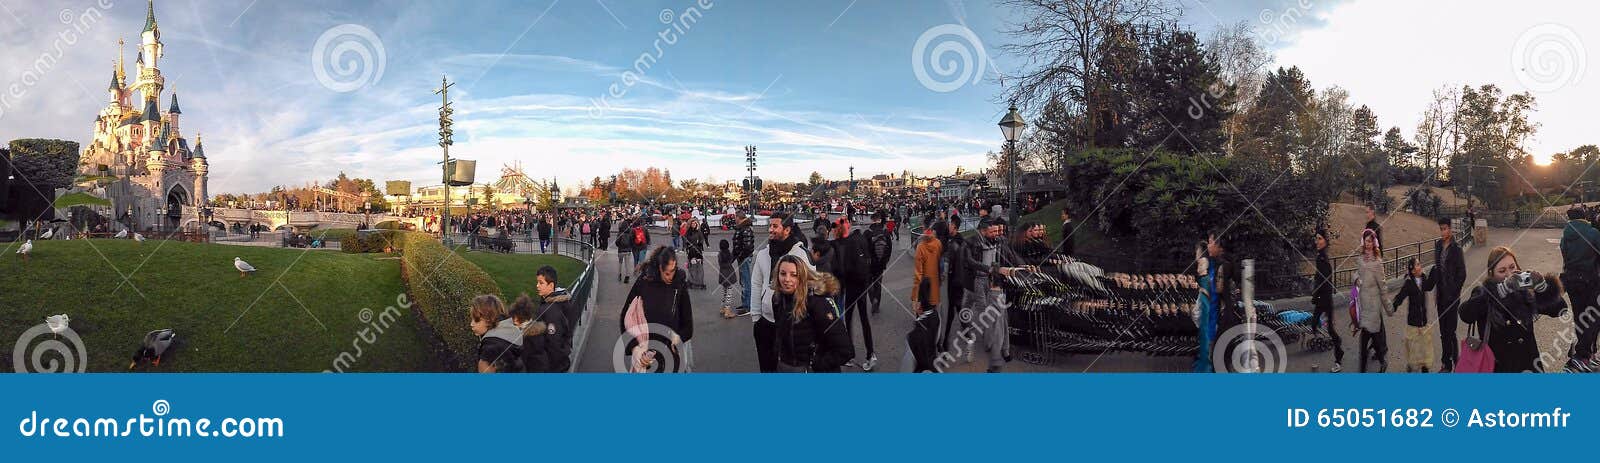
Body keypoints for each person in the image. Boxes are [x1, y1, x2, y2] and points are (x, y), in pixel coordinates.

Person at [1459, 246, 1568, 372]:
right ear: (1491, 273)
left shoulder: (1525, 293)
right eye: (1502, 271)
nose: (1509, 274)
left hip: (1528, 364)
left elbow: (1561, 309)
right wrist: (1499, 291)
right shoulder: (1483, 293)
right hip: (1497, 366)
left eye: (1512, 267)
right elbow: (1465, 314)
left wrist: (1543, 288)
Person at [748, 213, 811, 372]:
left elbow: (810, 286)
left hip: (791, 323)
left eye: (775, 226)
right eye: (770, 225)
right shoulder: (763, 254)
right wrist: (756, 317)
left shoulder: (800, 254)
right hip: (766, 322)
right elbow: (756, 284)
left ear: (787, 230)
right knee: (766, 368)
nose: (770, 229)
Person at [959, 218, 1023, 372]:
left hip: (989, 280)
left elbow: (1001, 258)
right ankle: (977, 339)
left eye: (997, 231)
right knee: (975, 310)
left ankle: (987, 342)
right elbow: (970, 262)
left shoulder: (994, 241)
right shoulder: (971, 242)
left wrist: (1013, 268)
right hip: (976, 281)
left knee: (985, 312)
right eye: (993, 231)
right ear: (983, 230)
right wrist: (991, 270)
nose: (997, 233)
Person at [772, 254, 854, 372]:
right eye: (783, 274)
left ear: (802, 276)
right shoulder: (777, 299)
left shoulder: (818, 302)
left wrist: (816, 366)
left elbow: (845, 350)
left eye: (794, 275)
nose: (787, 279)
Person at [620, 247, 696, 372]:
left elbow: (688, 324)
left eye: (673, 271)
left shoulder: (679, 283)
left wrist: (679, 338)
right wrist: (635, 348)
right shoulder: (644, 282)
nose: (670, 277)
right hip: (647, 356)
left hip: (672, 357)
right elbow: (626, 316)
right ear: (660, 268)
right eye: (667, 273)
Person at [832, 215, 878, 371]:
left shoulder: (844, 243)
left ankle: (849, 354)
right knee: (864, 320)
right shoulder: (861, 238)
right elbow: (868, 258)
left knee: (848, 318)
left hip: (851, 286)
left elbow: (842, 268)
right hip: (863, 284)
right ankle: (870, 353)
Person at [1559, 206, 1600, 372]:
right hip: (1591, 280)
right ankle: (1583, 353)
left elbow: (1564, 256)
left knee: (1579, 315)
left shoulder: (1565, 235)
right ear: (1584, 216)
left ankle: (1585, 353)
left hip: (1572, 280)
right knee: (1593, 316)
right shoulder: (1593, 233)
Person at [1352, 229, 1393, 373]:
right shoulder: (1360, 259)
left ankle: (1363, 371)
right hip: (1364, 305)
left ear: (1374, 242)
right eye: (1366, 241)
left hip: (1374, 306)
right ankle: (1382, 361)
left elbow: (1383, 286)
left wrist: (1388, 306)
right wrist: (1356, 279)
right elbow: (1356, 273)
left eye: (1370, 241)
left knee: (1364, 341)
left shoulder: (1377, 263)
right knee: (1374, 337)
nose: (1368, 244)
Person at [1429, 216, 1466, 372]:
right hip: (1441, 296)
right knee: (1443, 332)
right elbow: (1437, 268)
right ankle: (1446, 364)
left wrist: (1454, 292)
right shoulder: (1438, 245)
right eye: (1441, 229)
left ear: (1450, 229)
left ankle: (1456, 362)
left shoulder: (1456, 249)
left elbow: (1462, 274)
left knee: (1450, 332)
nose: (1443, 232)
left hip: (1452, 297)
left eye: (1445, 229)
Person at [910, 222, 944, 372]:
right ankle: (937, 349)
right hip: (935, 289)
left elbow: (918, 275)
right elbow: (940, 265)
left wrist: (916, 297)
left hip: (923, 292)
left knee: (923, 325)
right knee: (935, 322)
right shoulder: (938, 244)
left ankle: (924, 358)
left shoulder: (920, 247)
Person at [1311, 230, 1345, 373]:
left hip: (1324, 299)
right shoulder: (1320, 256)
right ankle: (1326, 341)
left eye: (1319, 238)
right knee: (1314, 324)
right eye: (1316, 239)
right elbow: (1320, 278)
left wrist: (1317, 294)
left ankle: (1338, 357)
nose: (1317, 241)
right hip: (1321, 298)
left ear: (1325, 241)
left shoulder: (1323, 258)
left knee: (1329, 329)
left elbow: (1325, 280)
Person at [1392, 258, 1433, 372]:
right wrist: (1393, 306)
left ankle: (1424, 368)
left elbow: (1429, 286)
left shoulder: (1423, 278)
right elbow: (1401, 296)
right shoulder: (1409, 283)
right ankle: (1411, 365)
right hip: (1413, 321)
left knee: (1424, 347)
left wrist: (1435, 271)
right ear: (1413, 270)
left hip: (1423, 320)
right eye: (1418, 264)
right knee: (1413, 346)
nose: (1421, 266)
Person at [469, 295, 522, 373]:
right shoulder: (509, 336)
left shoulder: (491, 348)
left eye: (476, 320)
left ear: (489, 319)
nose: (471, 324)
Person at [940, 220, 968, 355]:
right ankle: (966, 332)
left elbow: (949, 263)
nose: (948, 227)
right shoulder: (959, 241)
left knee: (951, 312)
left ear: (955, 228)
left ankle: (945, 343)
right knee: (957, 308)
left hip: (954, 281)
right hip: (959, 281)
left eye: (950, 225)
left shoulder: (954, 244)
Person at [866, 212, 894, 315]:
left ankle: (872, 299)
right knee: (878, 284)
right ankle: (877, 304)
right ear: (880, 220)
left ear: (872, 220)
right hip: (881, 263)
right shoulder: (885, 232)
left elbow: (864, 248)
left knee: (869, 283)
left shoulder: (868, 232)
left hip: (870, 264)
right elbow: (890, 247)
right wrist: (886, 260)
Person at [732, 213, 756, 317]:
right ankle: (745, 303)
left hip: (744, 258)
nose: (734, 219)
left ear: (739, 218)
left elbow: (747, 246)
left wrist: (740, 256)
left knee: (746, 282)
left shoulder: (745, 229)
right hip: (742, 257)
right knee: (743, 281)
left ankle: (748, 306)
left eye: (735, 217)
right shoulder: (742, 228)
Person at [718, 239, 739, 319]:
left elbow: (720, 263)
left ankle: (722, 308)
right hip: (729, 275)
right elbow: (731, 261)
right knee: (729, 294)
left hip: (722, 275)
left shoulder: (719, 255)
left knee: (724, 292)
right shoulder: (729, 254)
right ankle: (727, 311)